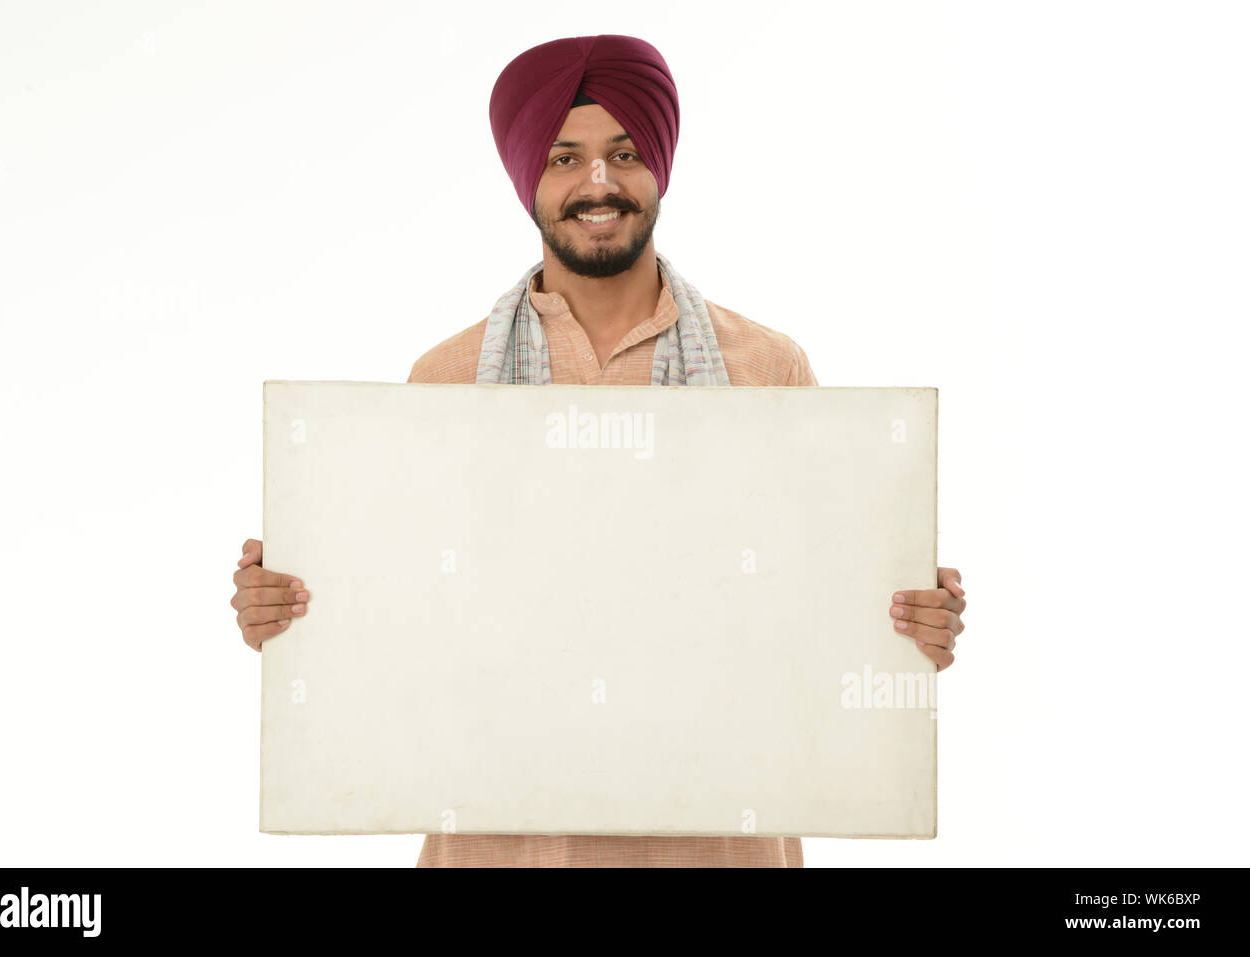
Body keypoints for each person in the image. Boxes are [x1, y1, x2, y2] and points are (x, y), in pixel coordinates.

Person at [230, 34, 967, 867]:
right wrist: (291, 618)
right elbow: (394, 621)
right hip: (499, 850)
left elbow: (826, 615)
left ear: (658, 168)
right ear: (529, 182)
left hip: (722, 848)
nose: (599, 182)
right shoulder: (446, 378)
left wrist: (908, 625)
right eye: (565, 157)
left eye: (624, 152)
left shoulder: (768, 369)